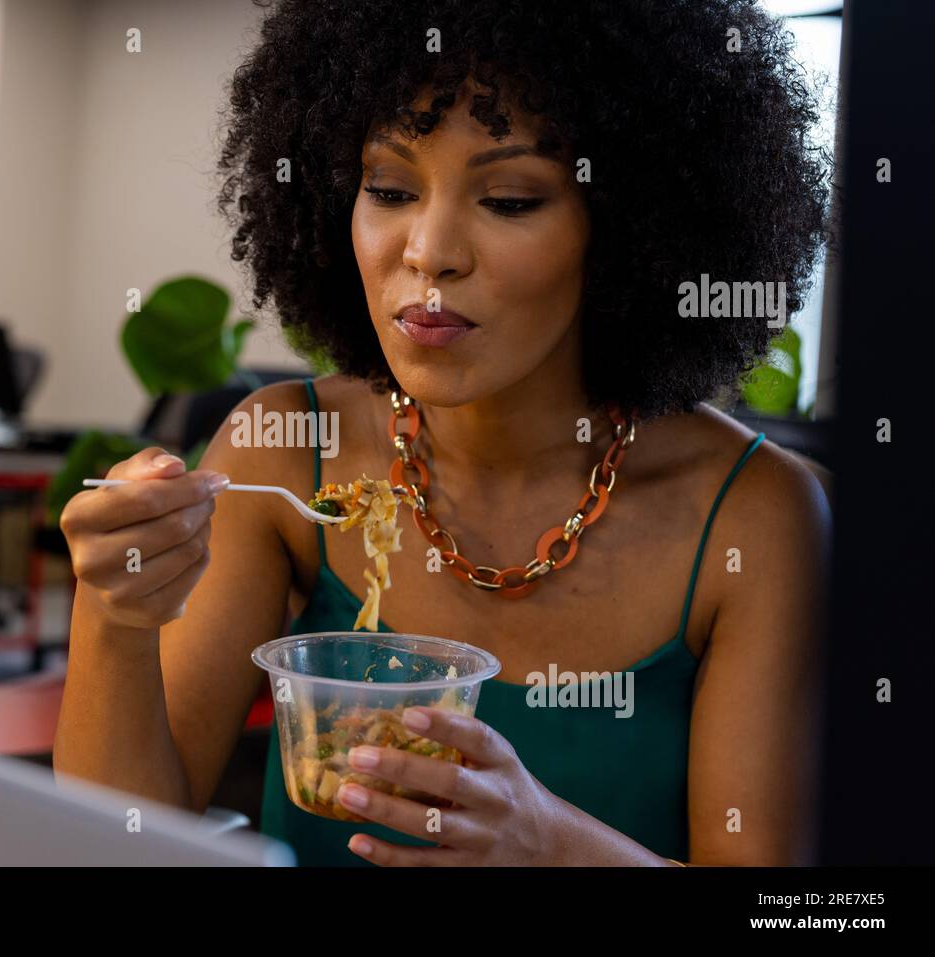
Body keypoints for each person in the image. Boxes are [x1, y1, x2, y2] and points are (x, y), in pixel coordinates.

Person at [55, 0, 832, 866]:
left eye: (507, 198)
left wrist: (556, 848)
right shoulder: (281, 447)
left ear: (624, 227)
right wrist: (116, 616)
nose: (429, 250)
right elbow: (116, 847)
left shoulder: (755, 517)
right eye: (389, 189)